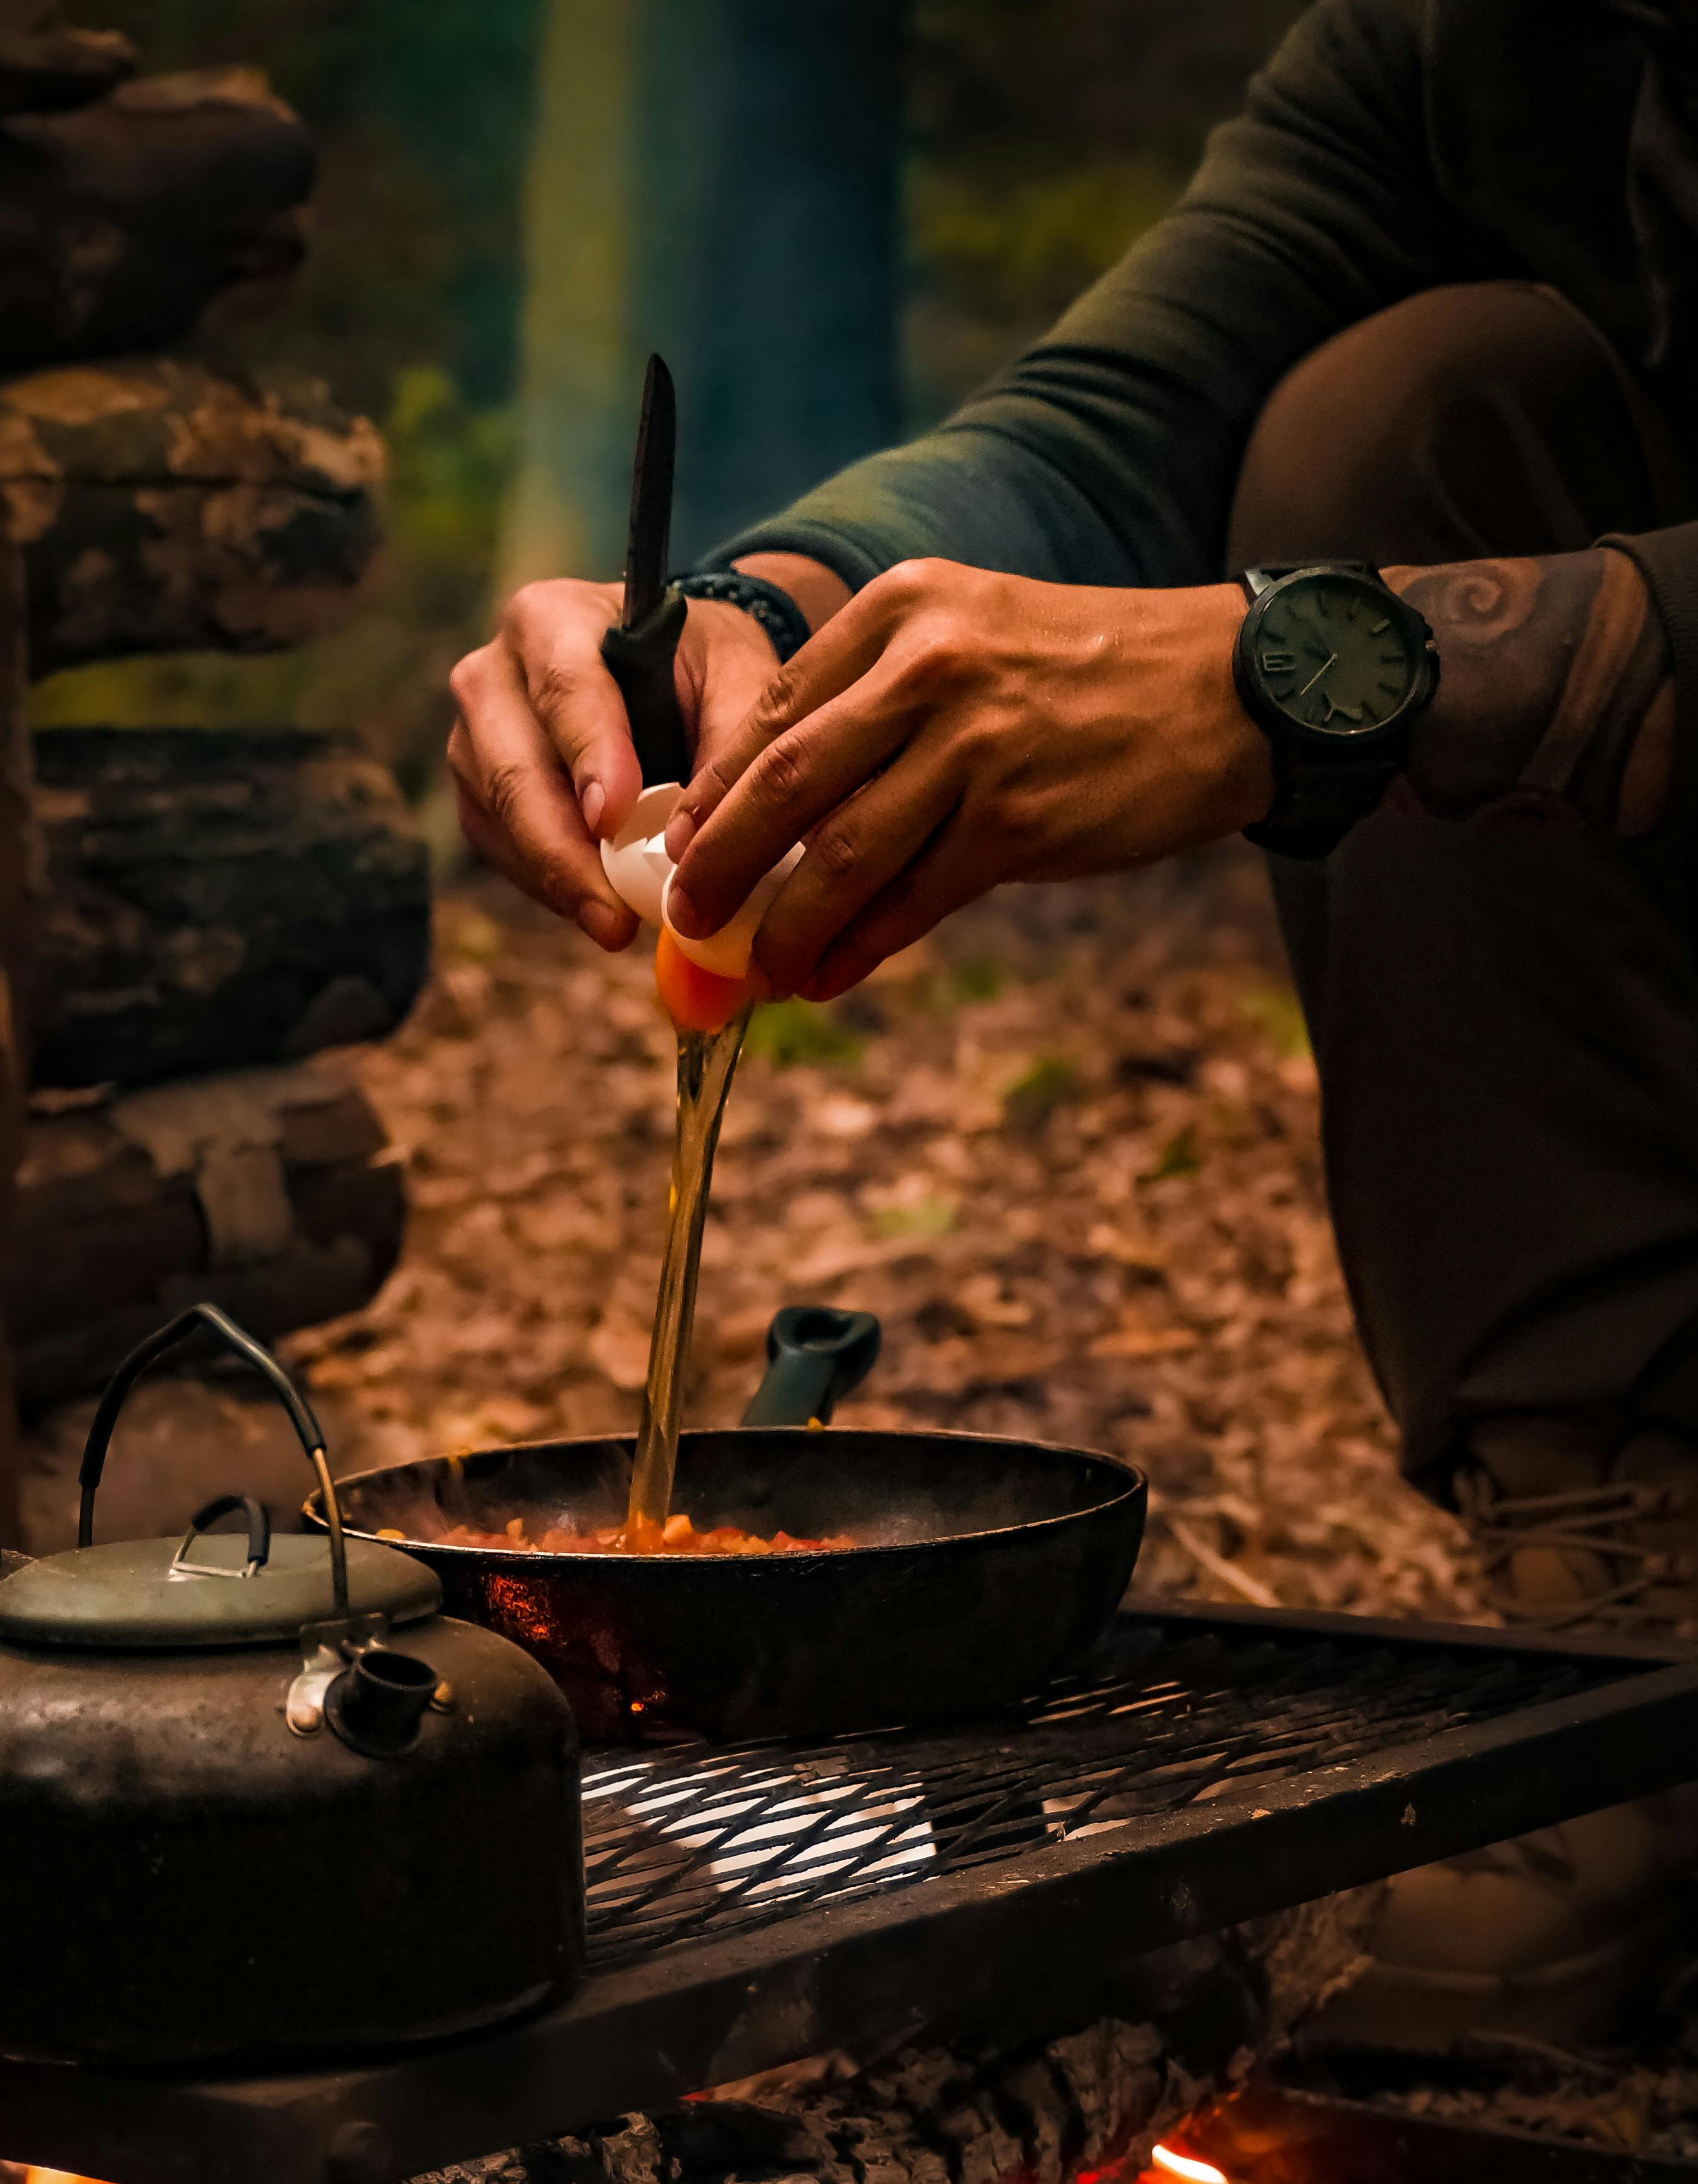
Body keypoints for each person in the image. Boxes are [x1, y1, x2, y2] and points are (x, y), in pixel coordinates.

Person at [451, 0, 1698, 2041]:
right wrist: (776, 613)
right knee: (1410, 412)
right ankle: (1644, 1615)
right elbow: (1124, 420)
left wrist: (1300, 676)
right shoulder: (1488, 37)